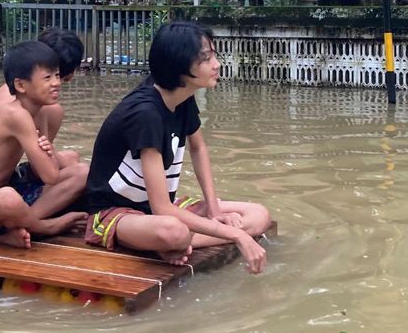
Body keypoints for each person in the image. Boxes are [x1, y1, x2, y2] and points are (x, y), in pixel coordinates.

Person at [81, 21, 271, 273]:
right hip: (116, 214)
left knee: (259, 215)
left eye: (214, 55)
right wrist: (237, 235)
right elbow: (162, 209)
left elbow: (198, 149)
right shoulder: (146, 113)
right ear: (179, 67)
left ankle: (177, 244)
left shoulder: (182, 97)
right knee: (174, 232)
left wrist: (213, 210)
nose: (216, 65)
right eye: (206, 59)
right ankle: (172, 242)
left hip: (158, 210)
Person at [0, 41, 88, 248]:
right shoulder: (15, 115)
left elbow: (46, 173)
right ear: (21, 85)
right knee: (7, 198)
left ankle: (15, 227)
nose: (56, 83)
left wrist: (50, 153)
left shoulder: (39, 110)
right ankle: (44, 227)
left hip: (8, 186)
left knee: (82, 172)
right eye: (47, 78)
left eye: (57, 75)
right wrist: (49, 154)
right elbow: (50, 175)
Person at [0, 27, 85, 176]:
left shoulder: (15, 88)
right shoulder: (46, 107)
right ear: (68, 73)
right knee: (79, 170)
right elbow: (41, 170)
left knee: (71, 157)